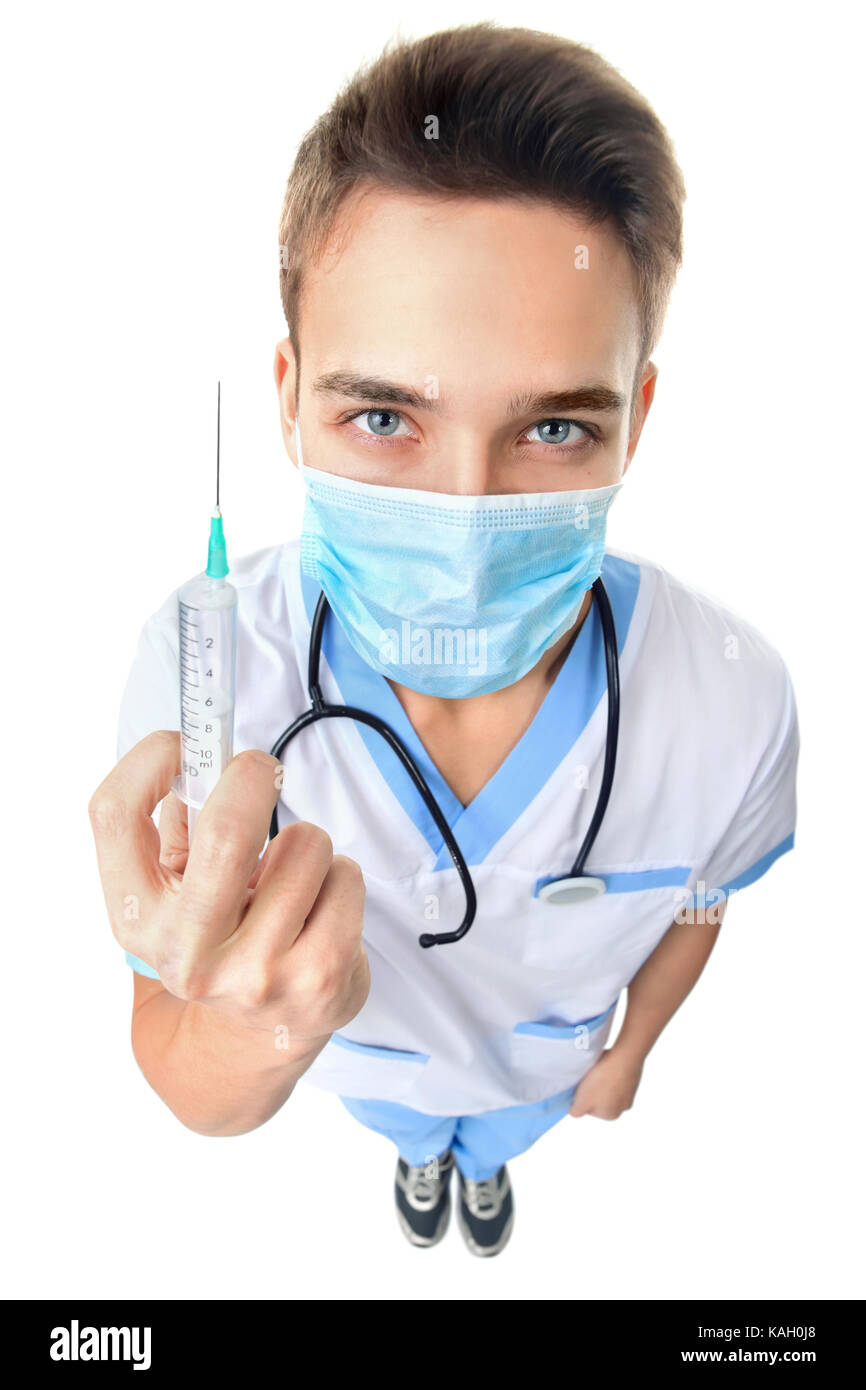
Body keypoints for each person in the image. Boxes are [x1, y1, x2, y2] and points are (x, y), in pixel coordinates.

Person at [89, 23, 799, 1258]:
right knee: (418, 1135)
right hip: (372, 1075)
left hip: (544, 1083)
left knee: (498, 1143)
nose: (464, 518)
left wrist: (626, 1052)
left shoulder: (732, 701)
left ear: (633, 420)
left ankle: (482, 1174)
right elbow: (182, 1071)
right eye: (381, 415)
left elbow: (699, 899)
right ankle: (425, 1165)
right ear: (286, 399)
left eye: (553, 430)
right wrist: (260, 1024)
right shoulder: (200, 678)